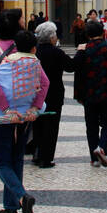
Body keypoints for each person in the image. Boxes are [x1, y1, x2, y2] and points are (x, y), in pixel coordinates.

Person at [0, 10, 45, 213]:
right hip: (25, 114)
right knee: (16, 158)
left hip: (3, 115)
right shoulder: (25, 51)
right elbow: (44, 82)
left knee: (0, 161)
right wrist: (34, 108)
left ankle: (21, 196)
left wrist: (6, 108)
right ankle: (10, 206)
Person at [73, 18, 107, 167]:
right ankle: (102, 148)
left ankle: (94, 157)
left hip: (89, 94)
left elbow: (78, 73)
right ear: (102, 32)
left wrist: (78, 94)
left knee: (91, 126)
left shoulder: (84, 50)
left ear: (87, 34)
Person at [29, 21, 75, 169]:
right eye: (55, 35)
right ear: (51, 37)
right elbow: (70, 66)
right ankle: (46, 158)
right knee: (51, 126)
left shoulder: (34, 52)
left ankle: (36, 153)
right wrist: (81, 52)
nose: (56, 37)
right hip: (53, 94)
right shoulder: (57, 52)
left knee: (38, 124)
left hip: (36, 94)